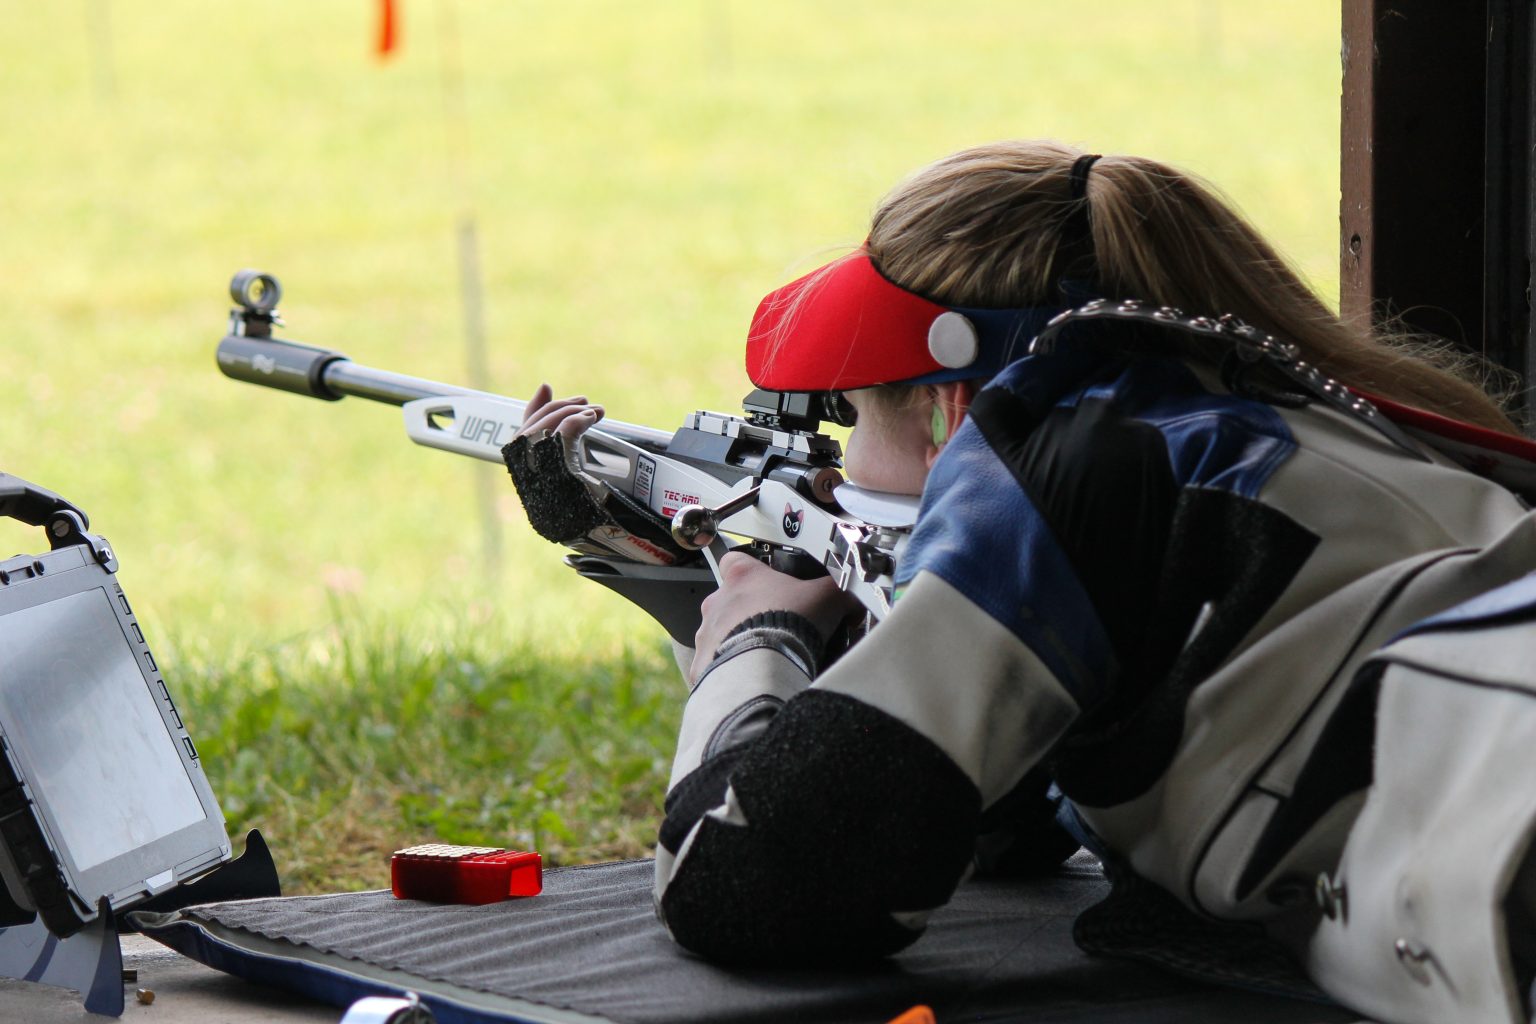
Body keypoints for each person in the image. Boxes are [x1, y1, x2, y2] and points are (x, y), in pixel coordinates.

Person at [517, 140, 1536, 1020]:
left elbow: (748, 880)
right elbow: (991, 820)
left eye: (853, 422)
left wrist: (752, 643)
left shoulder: (1062, 460)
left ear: (953, 411)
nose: (840, 472)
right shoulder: (1300, 421)